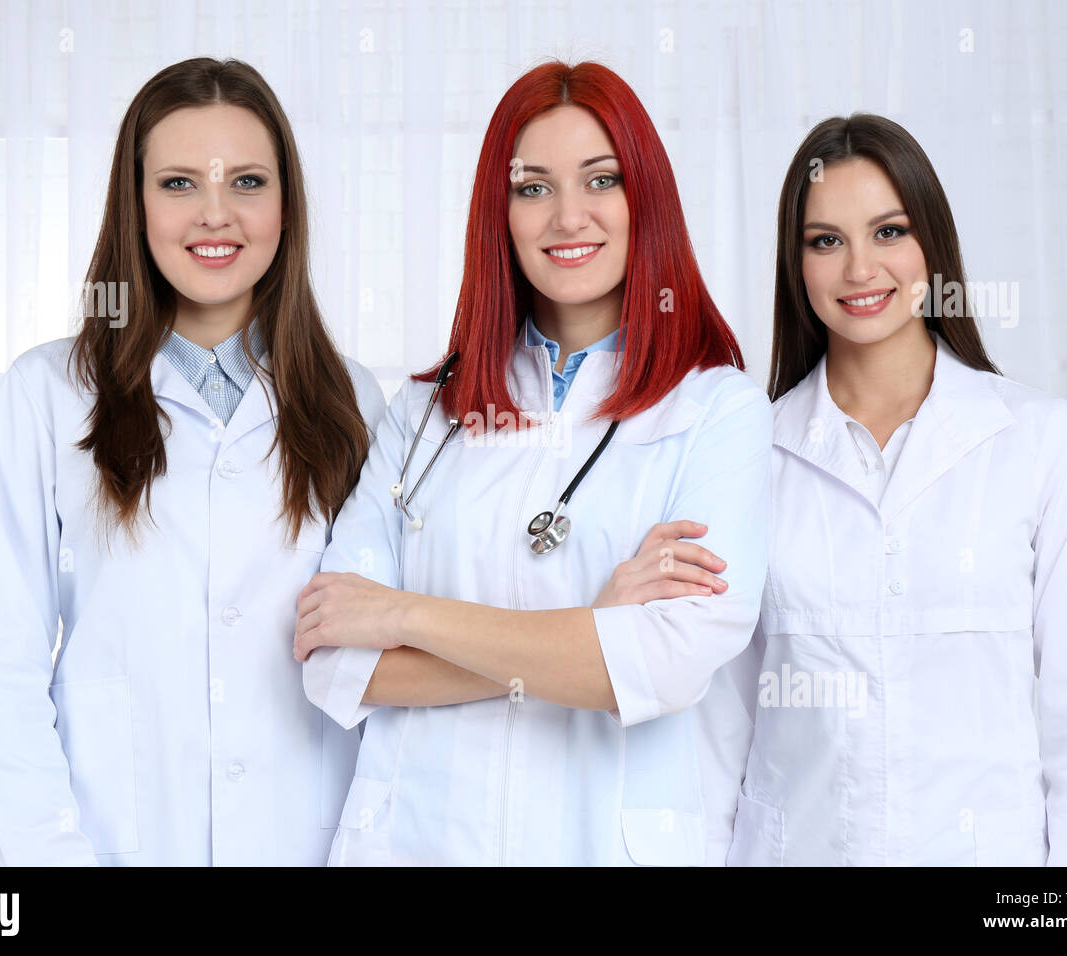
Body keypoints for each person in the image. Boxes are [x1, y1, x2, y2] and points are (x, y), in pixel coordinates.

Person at [297, 60, 771, 866]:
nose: (567, 216)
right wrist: (590, 626)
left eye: (601, 180)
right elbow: (335, 659)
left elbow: (664, 662)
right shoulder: (425, 413)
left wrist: (405, 615)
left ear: (644, 199)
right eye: (532, 187)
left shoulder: (717, 412)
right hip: (420, 840)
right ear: (501, 214)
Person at [0, 57, 385, 865]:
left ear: (287, 208)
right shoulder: (46, 395)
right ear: (136, 202)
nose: (215, 216)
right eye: (180, 183)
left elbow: (384, 661)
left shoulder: (353, 403)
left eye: (249, 183)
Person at [727, 113, 1067, 866]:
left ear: (932, 245)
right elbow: (717, 732)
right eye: (826, 240)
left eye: (889, 232)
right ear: (796, 263)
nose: (859, 269)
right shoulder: (747, 456)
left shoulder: (1042, 443)